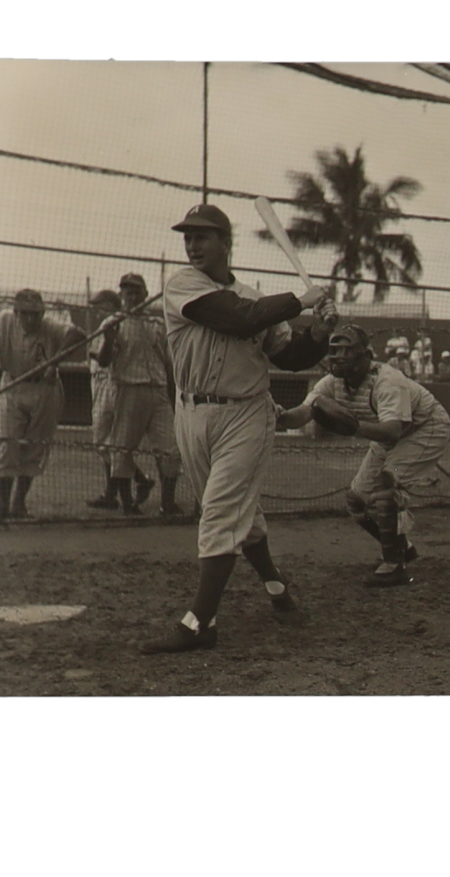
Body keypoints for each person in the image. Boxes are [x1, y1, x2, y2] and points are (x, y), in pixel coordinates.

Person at [140, 204, 337, 655]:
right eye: (188, 237)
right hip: (190, 411)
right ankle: (275, 585)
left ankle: (199, 622)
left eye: (203, 237)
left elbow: (288, 357)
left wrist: (320, 332)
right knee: (233, 511)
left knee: (221, 512)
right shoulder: (184, 286)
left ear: (226, 244)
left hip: (247, 415)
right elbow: (237, 317)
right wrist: (300, 301)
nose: (192, 245)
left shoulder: (253, 298)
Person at [278, 324, 450, 587]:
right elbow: (301, 414)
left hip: (425, 427)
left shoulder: (388, 381)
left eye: (347, 351)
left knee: (385, 487)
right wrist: (280, 416)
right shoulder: (331, 383)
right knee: (356, 501)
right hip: (388, 434)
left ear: (367, 355)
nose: (340, 357)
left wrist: (355, 428)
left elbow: (393, 431)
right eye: (336, 351)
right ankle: (402, 547)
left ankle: (394, 564)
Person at [0, 289, 86, 521]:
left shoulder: (50, 325)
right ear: (16, 312)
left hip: (44, 388)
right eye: (25, 314)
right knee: (9, 444)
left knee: (35, 447)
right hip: (12, 384)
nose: (31, 319)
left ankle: (18, 504)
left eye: (36, 314)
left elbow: (78, 334)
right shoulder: (3, 321)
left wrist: (55, 361)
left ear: (42, 312)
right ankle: (2, 504)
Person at [93, 273, 182, 515]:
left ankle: (167, 503)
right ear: (121, 295)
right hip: (128, 389)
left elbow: (168, 363)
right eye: (127, 292)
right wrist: (109, 340)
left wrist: (174, 393)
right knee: (122, 448)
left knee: (171, 449)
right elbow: (103, 361)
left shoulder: (158, 324)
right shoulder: (112, 323)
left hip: (158, 391)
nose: (132, 296)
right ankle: (128, 504)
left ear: (145, 294)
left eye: (136, 291)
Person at [84, 289, 154, 511]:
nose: (95, 310)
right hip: (99, 383)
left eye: (100, 305)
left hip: (109, 384)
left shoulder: (115, 324)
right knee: (106, 443)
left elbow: (104, 357)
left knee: (106, 443)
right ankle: (111, 493)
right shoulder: (104, 325)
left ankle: (139, 479)